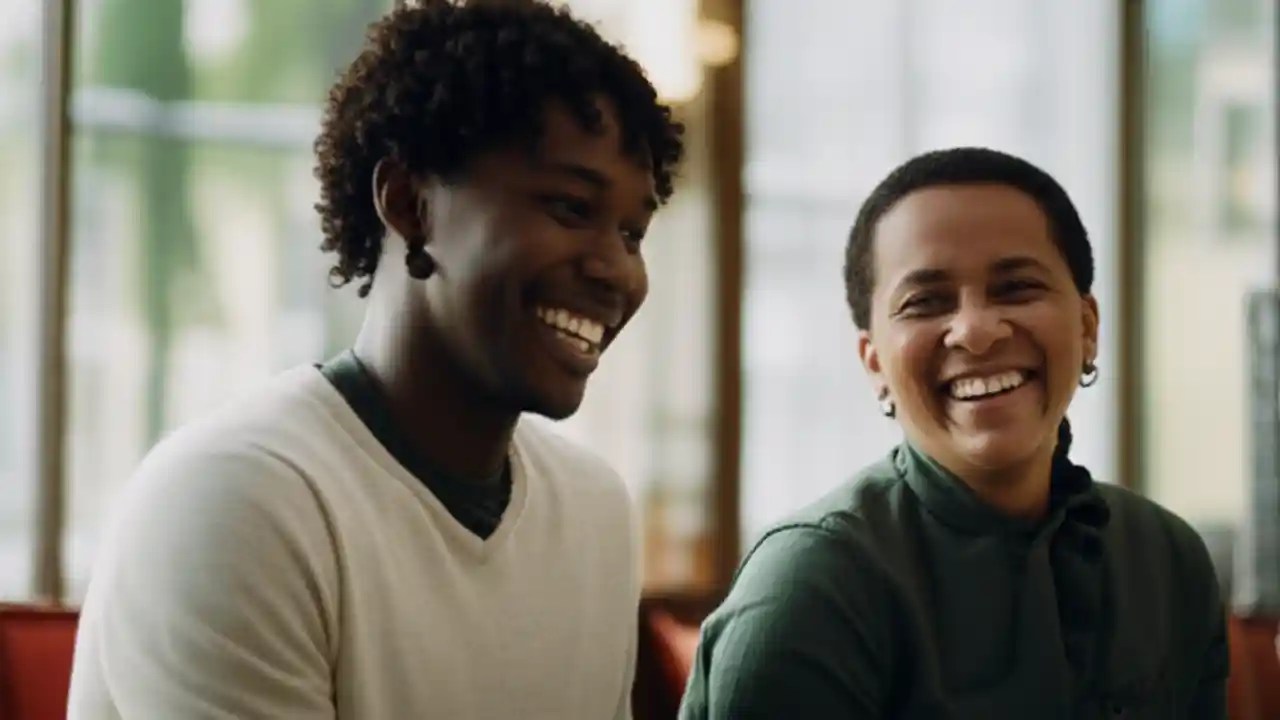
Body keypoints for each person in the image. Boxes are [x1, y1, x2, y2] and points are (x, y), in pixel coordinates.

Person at [67, 1, 684, 717]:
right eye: (572, 209)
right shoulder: (240, 500)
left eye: (634, 234)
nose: (617, 271)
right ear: (408, 203)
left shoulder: (594, 511)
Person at [679, 148, 1227, 718]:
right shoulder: (815, 583)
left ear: (1087, 328)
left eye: (1016, 288)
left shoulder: (1168, 561)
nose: (975, 331)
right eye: (926, 302)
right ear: (874, 363)